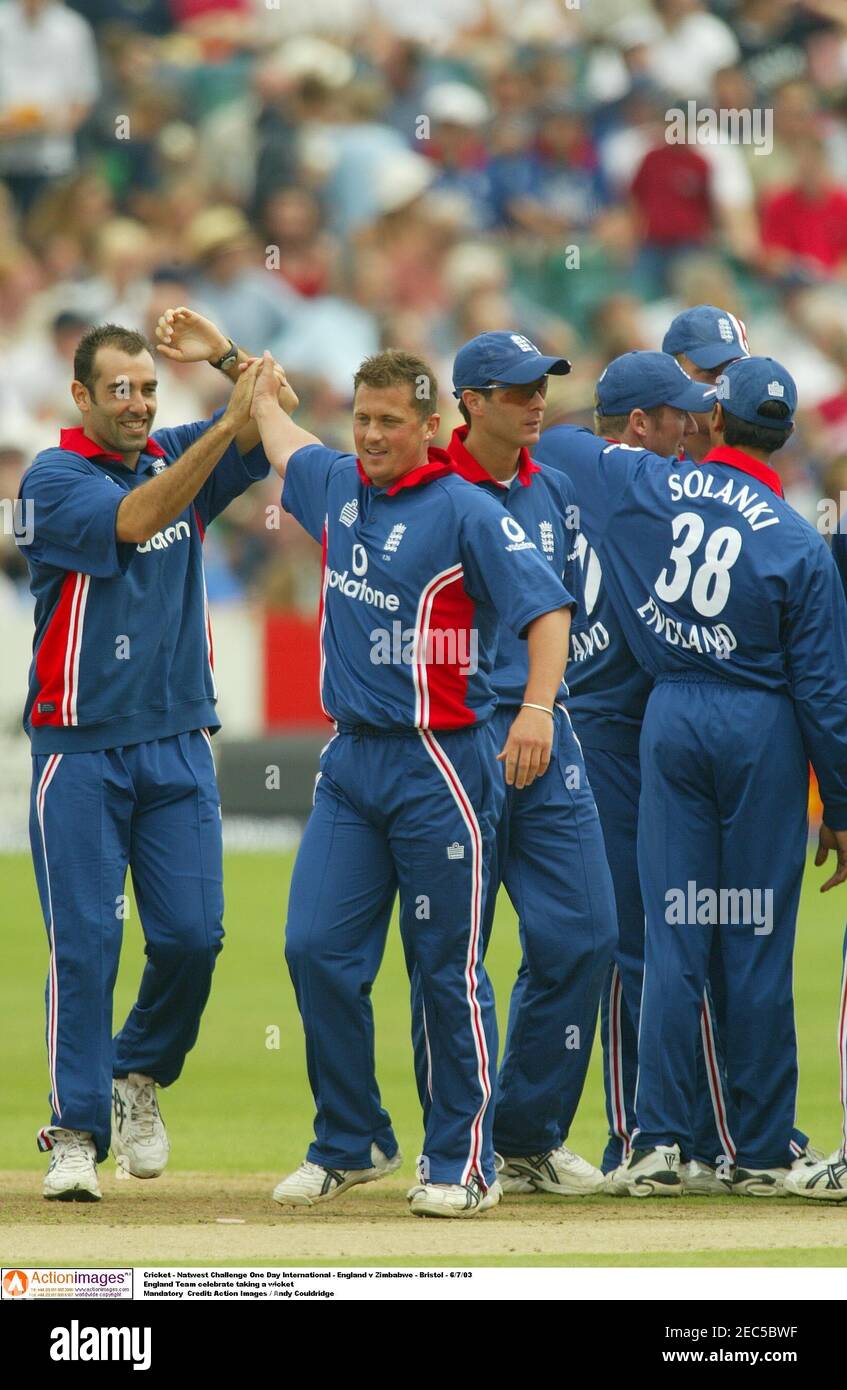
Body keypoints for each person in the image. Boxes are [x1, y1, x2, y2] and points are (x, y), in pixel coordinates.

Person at [248, 348, 575, 1218]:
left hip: (443, 762)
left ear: (431, 428)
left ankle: (463, 1162)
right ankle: (351, 1142)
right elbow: (279, 433)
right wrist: (232, 365)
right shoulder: (336, 484)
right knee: (313, 948)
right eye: (361, 417)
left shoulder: (466, 510)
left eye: (390, 421)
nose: (371, 434)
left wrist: (536, 710)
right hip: (352, 760)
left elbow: (548, 612)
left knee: (446, 968)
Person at [539, 352, 847, 1197]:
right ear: (785, 440)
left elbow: (563, 448)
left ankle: (655, 1143)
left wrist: (606, 430)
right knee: (751, 939)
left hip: (669, 718)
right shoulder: (795, 538)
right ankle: (755, 1149)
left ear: (713, 421)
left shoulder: (651, 486)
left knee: (669, 938)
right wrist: (842, 808)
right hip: (761, 729)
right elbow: (823, 691)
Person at [17, 319, 286, 1202]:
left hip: (178, 737)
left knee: (191, 937)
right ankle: (74, 1132)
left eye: (147, 388)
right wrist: (218, 424)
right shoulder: (55, 479)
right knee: (89, 942)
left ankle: (137, 1075)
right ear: (82, 397)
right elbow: (142, 515)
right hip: (80, 744)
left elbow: (273, 409)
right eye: (120, 391)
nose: (138, 405)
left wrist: (223, 355)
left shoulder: (180, 450)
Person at [407, 330, 617, 1196]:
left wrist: (540, 706)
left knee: (586, 935)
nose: (539, 401)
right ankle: (453, 1149)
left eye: (544, 386)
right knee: (453, 950)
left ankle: (524, 1134)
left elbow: (555, 615)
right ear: (472, 402)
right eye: (519, 389)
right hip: (456, 737)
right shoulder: (427, 490)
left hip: (543, 730)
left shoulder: (554, 490)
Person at [537, 349, 747, 1193]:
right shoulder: (626, 477)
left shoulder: (567, 463)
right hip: (606, 730)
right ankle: (635, 1136)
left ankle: (697, 1132)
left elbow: (554, 440)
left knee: (678, 935)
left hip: (643, 727)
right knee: (637, 940)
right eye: (681, 413)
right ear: (636, 425)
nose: (694, 427)